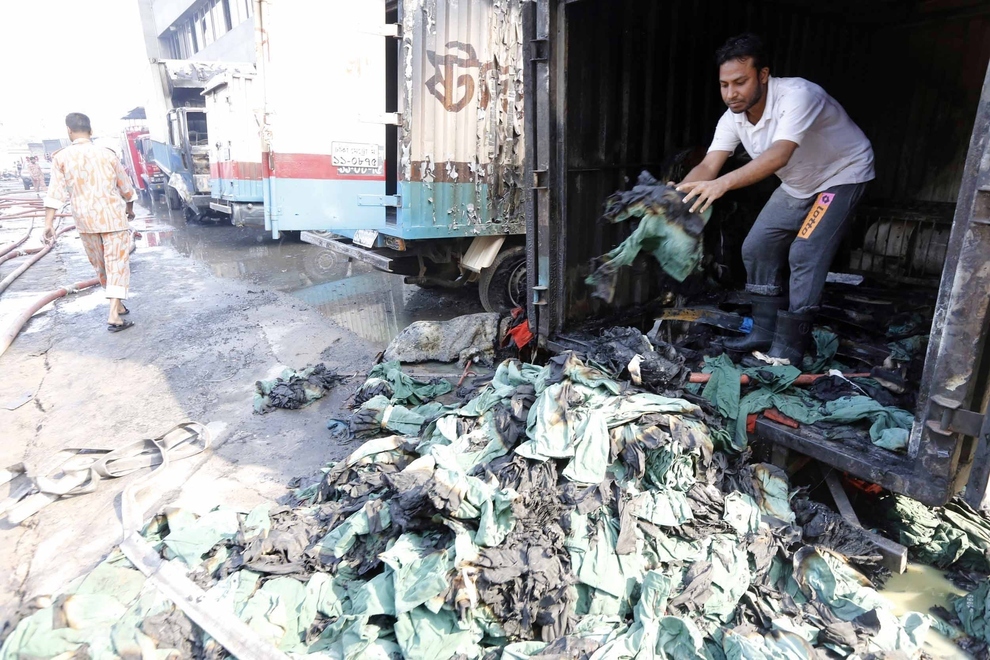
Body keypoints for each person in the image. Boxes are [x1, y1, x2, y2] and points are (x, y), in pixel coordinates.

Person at [676, 33, 874, 367]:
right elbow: (710, 164)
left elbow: (778, 156)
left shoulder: (798, 96)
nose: (730, 94)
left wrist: (722, 185)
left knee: (805, 251)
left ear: (763, 74)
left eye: (740, 82)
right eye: (724, 85)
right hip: (799, 184)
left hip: (841, 176)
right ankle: (764, 331)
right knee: (757, 247)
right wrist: (675, 193)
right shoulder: (733, 118)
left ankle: (791, 347)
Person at [43, 112, 139, 332]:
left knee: (101, 265)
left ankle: (117, 306)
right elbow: (126, 188)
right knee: (117, 265)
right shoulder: (108, 155)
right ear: (91, 131)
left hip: (86, 222)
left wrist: (48, 223)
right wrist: (130, 210)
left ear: (68, 131)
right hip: (113, 219)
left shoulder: (61, 158)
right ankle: (115, 312)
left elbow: (55, 193)